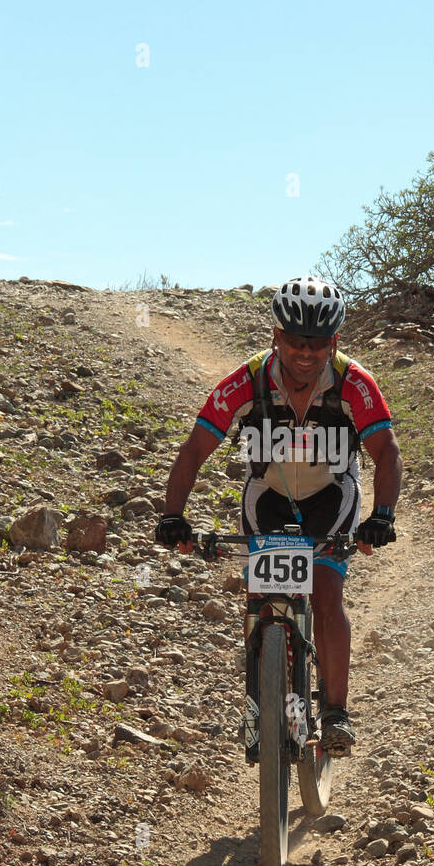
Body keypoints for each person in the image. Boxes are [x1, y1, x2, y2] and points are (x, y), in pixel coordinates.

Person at [154, 276, 402, 755]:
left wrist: (382, 515)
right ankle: (260, 703)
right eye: (294, 341)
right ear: (275, 336)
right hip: (267, 495)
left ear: (334, 342)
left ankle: (334, 712)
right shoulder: (244, 381)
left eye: (316, 343)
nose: (304, 353)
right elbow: (193, 450)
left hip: (331, 494)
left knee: (327, 590)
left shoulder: (355, 383)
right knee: (260, 594)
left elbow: (386, 453)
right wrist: (173, 515)